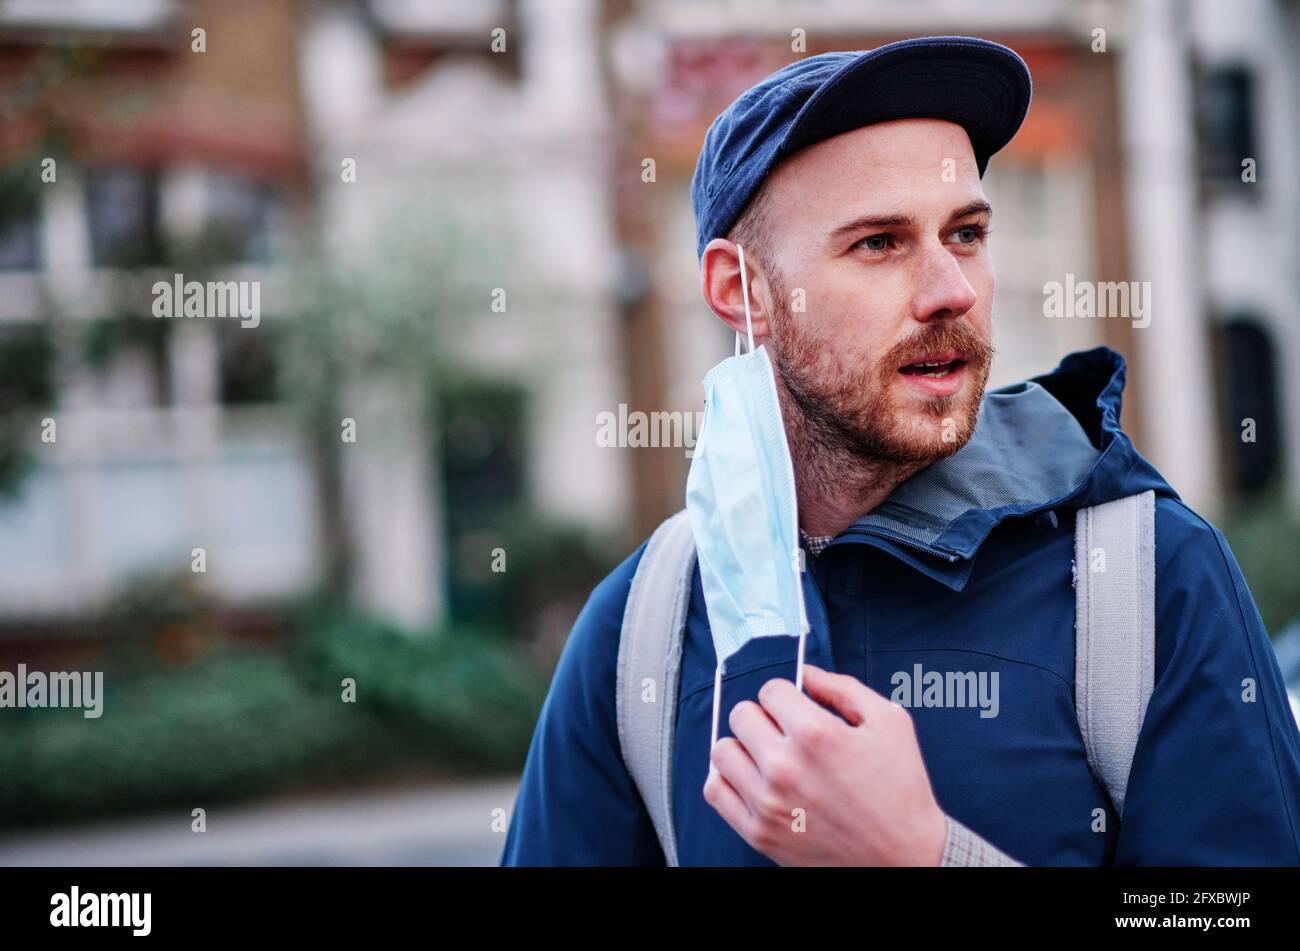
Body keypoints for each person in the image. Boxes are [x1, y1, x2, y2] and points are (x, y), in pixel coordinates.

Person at [500, 36, 1300, 866]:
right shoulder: (644, 628)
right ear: (743, 293)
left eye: (965, 234)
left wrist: (924, 855)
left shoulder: (1147, 577)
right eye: (879, 243)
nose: (950, 290)